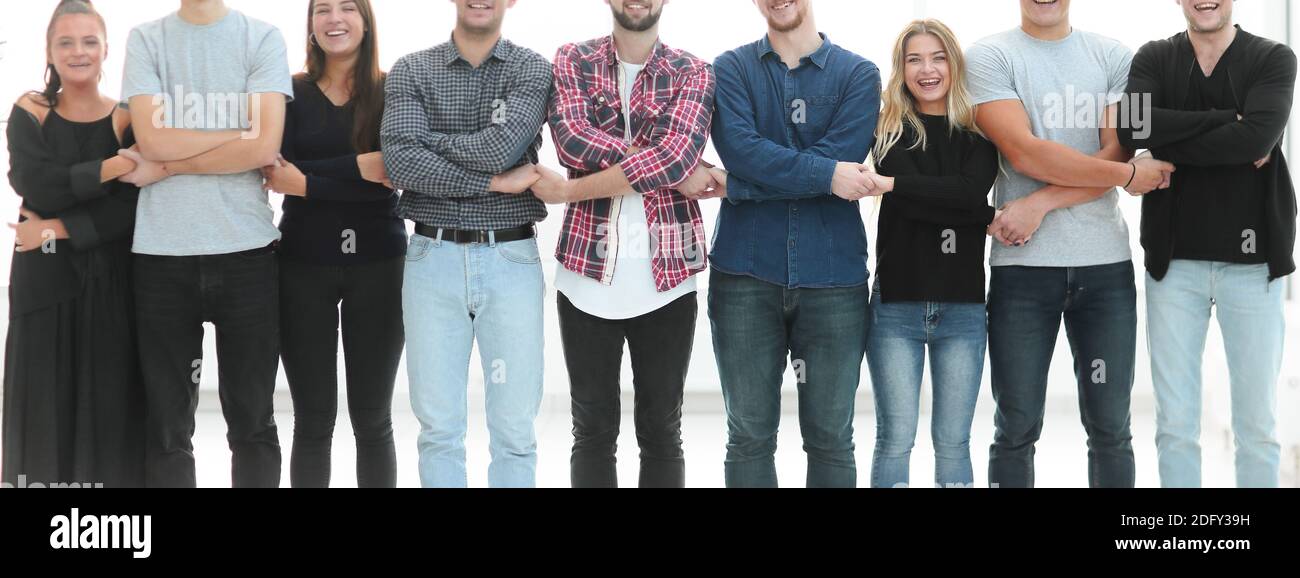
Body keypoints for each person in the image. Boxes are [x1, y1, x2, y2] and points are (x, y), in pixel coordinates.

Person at [968, 0, 1173, 488]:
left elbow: (1119, 148)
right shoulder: (989, 56)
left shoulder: (1117, 57)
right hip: (1022, 270)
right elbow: (1026, 152)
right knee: (1015, 427)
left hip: (1105, 270)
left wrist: (1039, 204)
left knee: (1111, 431)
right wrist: (1124, 175)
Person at [531, 0, 718, 488]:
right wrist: (664, 164)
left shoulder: (693, 71)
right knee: (591, 430)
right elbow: (571, 141)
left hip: (668, 280)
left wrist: (669, 162)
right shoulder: (572, 58)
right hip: (584, 278)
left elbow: (680, 156)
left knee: (662, 431)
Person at [1118, 0, 1296, 488]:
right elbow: (1132, 129)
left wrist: (1172, 138)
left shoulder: (1273, 58)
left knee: (1257, 427)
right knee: (1176, 425)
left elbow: (1255, 140)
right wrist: (1228, 119)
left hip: (1254, 264)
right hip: (1174, 264)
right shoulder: (1151, 57)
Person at [119, 0, 292, 488]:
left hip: (247, 253)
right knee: (168, 426)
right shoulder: (146, 39)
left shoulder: (260, 37)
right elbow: (149, 140)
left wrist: (169, 164)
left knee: (253, 420)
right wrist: (235, 139)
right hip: (160, 257)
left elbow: (263, 147)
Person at [708, 0, 881, 488]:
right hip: (744, 274)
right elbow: (741, 151)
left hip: (834, 280)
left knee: (830, 438)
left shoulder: (858, 75)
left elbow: (840, 157)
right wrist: (824, 176)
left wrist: (739, 185)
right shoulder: (731, 68)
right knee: (748, 437)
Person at [381, 0, 553, 488]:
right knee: (439, 429)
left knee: (515, 429)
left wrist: (427, 142)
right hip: (432, 259)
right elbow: (400, 164)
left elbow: (501, 148)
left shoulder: (531, 68)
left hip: (511, 259)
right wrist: (495, 183)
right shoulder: (412, 69)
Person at [3, 0, 153, 488]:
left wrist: (55, 229)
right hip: (43, 281)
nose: (78, 51)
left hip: (110, 279)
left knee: (107, 401)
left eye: (89, 41)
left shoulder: (128, 117)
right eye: (65, 41)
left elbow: (132, 211)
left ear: (106, 49)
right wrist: (110, 169)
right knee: (42, 400)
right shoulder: (29, 111)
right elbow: (34, 183)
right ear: (49, 49)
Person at [261, 0, 405, 488]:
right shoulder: (290, 93)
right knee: (313, 421)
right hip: (302, 265)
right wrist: (358, 166)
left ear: (366, 21)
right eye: (323, 8)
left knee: (373, 420)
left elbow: (392, 174)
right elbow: (279, 175)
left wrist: (311, 181)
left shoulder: (392, 89)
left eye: (348, 7)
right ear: (311, 24)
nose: (335, 19)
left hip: (380, 266)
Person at [863, 19, 998, 489]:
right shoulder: (887, 129)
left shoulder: (980, 133)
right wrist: (982, 215)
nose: (927, 69)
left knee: (954, 440)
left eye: (937, 57)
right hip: (895, 304)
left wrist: (897, 186)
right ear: (900, 70)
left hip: (963, 308)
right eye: (914, 59)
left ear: (954, 64)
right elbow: (956, 202)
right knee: (895, 437)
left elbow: (966, 193)